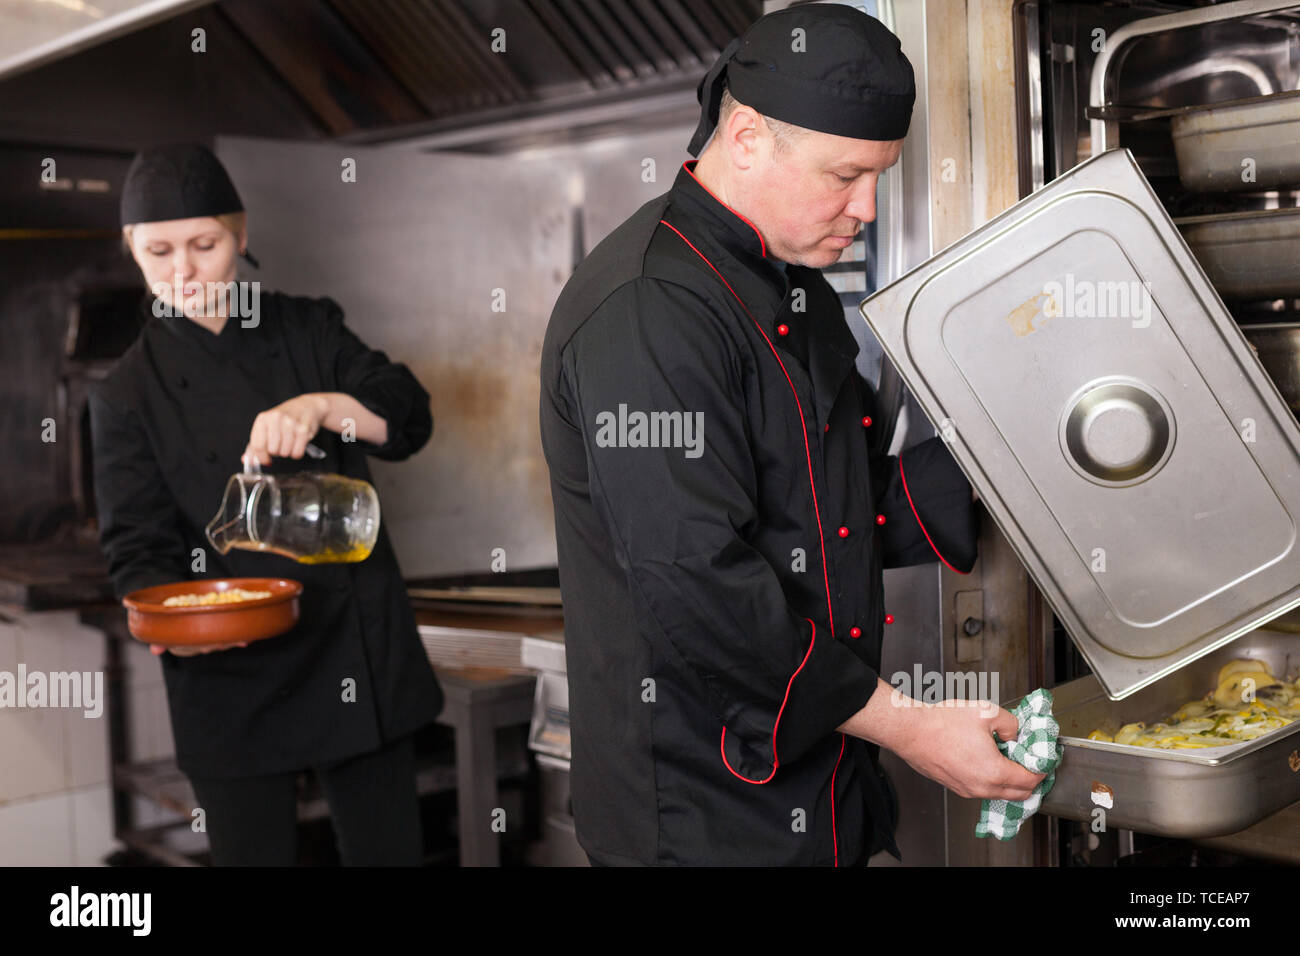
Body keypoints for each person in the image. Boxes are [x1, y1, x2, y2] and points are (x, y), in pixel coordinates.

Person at [539, 5, 1043, 867]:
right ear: (744, 138)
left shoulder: (793, 289)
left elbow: (834, 515)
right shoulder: (649, 310)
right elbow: (696, 581)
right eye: (845, 175)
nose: (867, 207)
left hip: (830, 785)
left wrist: (1027, 451)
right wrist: (910, 725)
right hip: (703, 814)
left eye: (879, 176)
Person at [90, 143, 443, 866]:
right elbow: (137, 551)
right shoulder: (124, 393)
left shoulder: (309, 330)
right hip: (230, 676)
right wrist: (172, 619)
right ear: (131, 248)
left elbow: (408, 418)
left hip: (356, 655)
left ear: (241, 235)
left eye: (204, 244)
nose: (182, 271)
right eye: (158, 251)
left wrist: (323, 405)